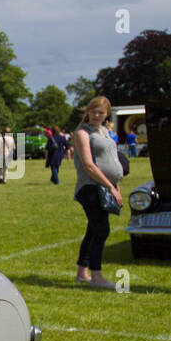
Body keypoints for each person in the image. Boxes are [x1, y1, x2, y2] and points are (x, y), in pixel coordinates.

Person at [72, 96, 124, 290]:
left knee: (93, 229)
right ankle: (97, 276)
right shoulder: (82, 133)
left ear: (106, 114)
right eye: (93, 111)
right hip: (91, 188)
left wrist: (115, 184)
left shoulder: (104, 131)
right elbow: (88, 165)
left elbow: (110, 157)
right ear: (87, 111)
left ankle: (81, 272)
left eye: (101, 113)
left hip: (106, 186)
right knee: (102, 229)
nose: (96, 115)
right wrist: (110, 186)